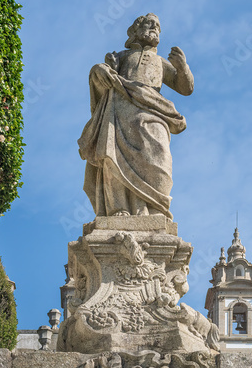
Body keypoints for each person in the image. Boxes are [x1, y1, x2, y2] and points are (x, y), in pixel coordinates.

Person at [78, 13, 194, 219]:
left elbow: (184, 88)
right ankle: (118, 208)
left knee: (159, 156)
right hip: (120, 112)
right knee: (112, 155)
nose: (155, 28)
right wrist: (100, 69)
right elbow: (100, 74)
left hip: (153, 112)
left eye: (158, 26)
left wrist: (183, 68)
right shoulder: (122, 56)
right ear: (135, 31)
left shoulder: (159, 61)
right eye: (149, 24)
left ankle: (156, 207)